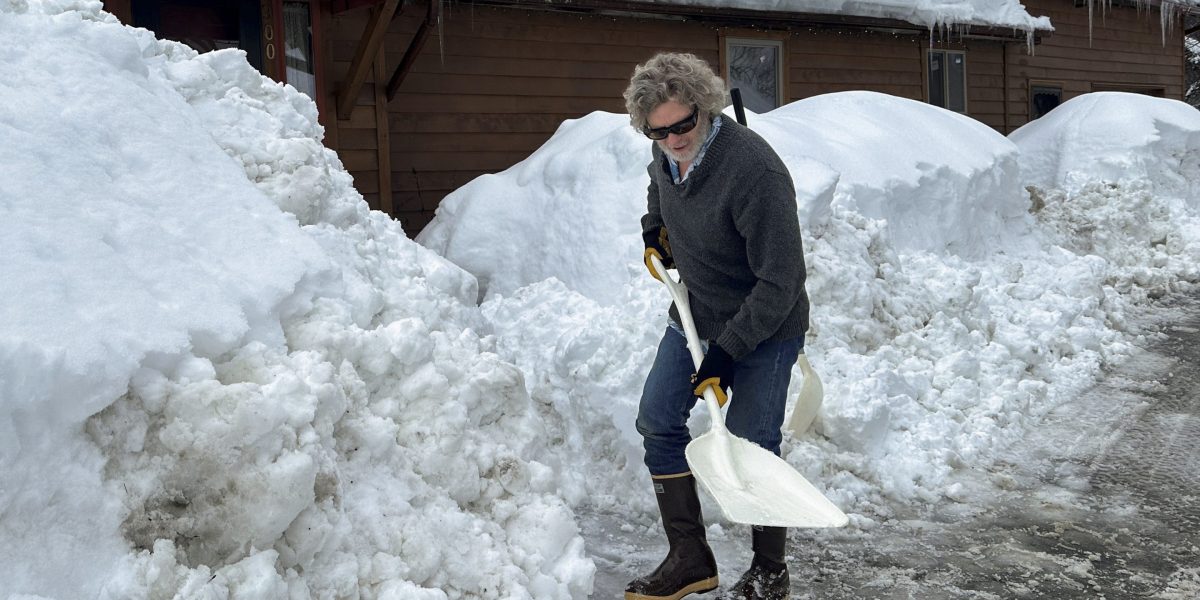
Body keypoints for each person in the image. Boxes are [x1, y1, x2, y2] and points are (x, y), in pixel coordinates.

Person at [621, 52, 810, 600]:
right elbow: (660, 190)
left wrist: (726, 355)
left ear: (704, 108)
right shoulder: (666, 157)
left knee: (752, 443)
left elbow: (782, 282)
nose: (675, 140)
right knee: (657, 420)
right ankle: (690, 557)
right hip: (696, 314)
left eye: (684, 125)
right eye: (660, 132)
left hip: (767, 323)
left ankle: (769, 570)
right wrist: (654, 230)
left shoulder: (755, 172)